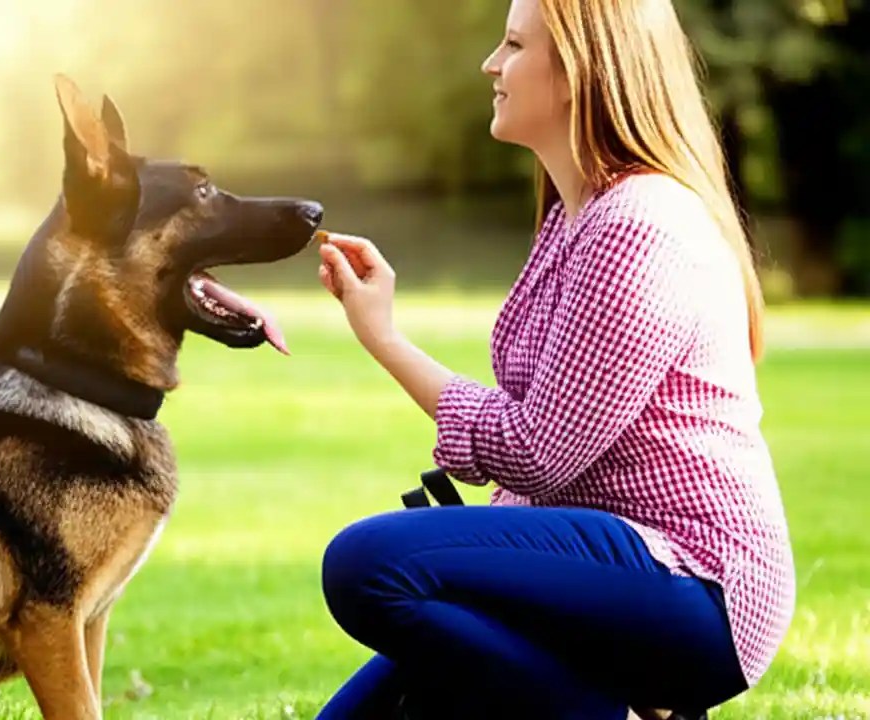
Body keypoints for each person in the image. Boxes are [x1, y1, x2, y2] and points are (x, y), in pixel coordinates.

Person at [312, 0, 796, 717]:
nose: (490, 64)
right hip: (598, 577)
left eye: (512, 45)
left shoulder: (639, 225)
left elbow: (539, 451)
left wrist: (386, 341)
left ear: (576, 71)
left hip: (696, 584)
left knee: (366, 565)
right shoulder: (575, 217)